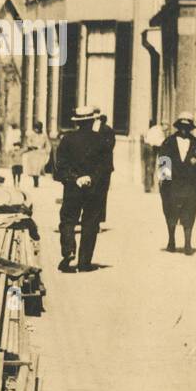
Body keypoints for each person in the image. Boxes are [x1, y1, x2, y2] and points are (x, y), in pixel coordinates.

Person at [54, 105, 113, 272]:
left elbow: (60, 166)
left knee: (67, 220)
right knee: (90, 223)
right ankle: (84, 262)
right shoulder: (102, 140)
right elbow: (106, 167)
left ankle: (68, 251)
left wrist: (75, 178)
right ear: (91, 121)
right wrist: (92, 178)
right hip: (94, 190)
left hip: (73, 188)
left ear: (77, 123)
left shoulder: (67, 140)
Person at [157, 112, 196, 254]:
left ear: (191, 127)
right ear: (178, 126)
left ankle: (187, 244)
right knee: (171, 211)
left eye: (187, 127)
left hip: (191, 184)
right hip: (173, 183)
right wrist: (164, 182)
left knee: (190, 211)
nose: (184, 130)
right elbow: (163, 160)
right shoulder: (169, 141)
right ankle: (171, 240)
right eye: (182, 126)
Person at [21, 121, 50, 189]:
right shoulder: (32, 134)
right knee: (33, 168)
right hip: (33, 153)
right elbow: (28, 141)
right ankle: (35, 181)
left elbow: (47, 144)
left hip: (40, 153)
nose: (36, 129)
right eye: (35, 128)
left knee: (38, 167)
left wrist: (47, 151)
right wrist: (31, 146)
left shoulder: (44, 135)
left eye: (38, 128)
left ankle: (37, 178)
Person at [142, 119, 166, 193]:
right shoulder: (159, 131)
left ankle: (149, 185)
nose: (167, 129)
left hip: (150, 147)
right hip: (150, 147)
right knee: (150, 167)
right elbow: (159, 143)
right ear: (163, 125)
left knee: (150, 167)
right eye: (166, 127)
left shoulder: (156, 128)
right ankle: (148, 187)